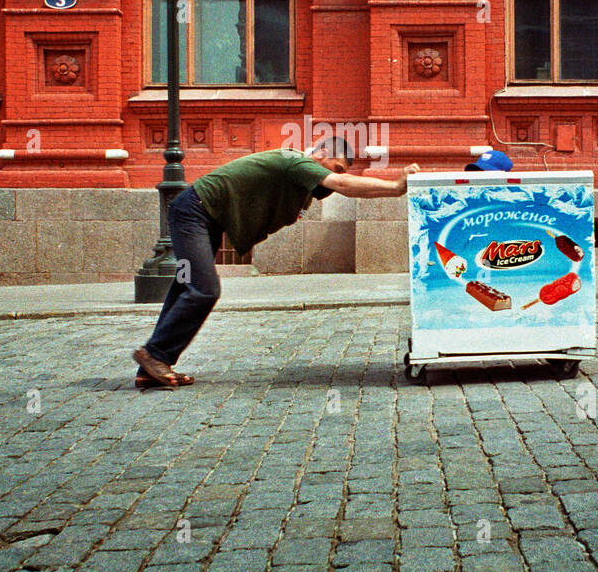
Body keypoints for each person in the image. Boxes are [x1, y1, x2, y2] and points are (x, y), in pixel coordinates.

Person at [132, 138, 420, 388]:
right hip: (193, 212)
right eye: (336, 167)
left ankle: (152, 367)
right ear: (321, 155)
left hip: (200, 214)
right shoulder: (296, 162)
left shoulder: (296, 170)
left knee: (185, 285)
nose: (334, 177)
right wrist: (395, 187)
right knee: (204, 290)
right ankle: (155, 354)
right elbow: (342, 184)